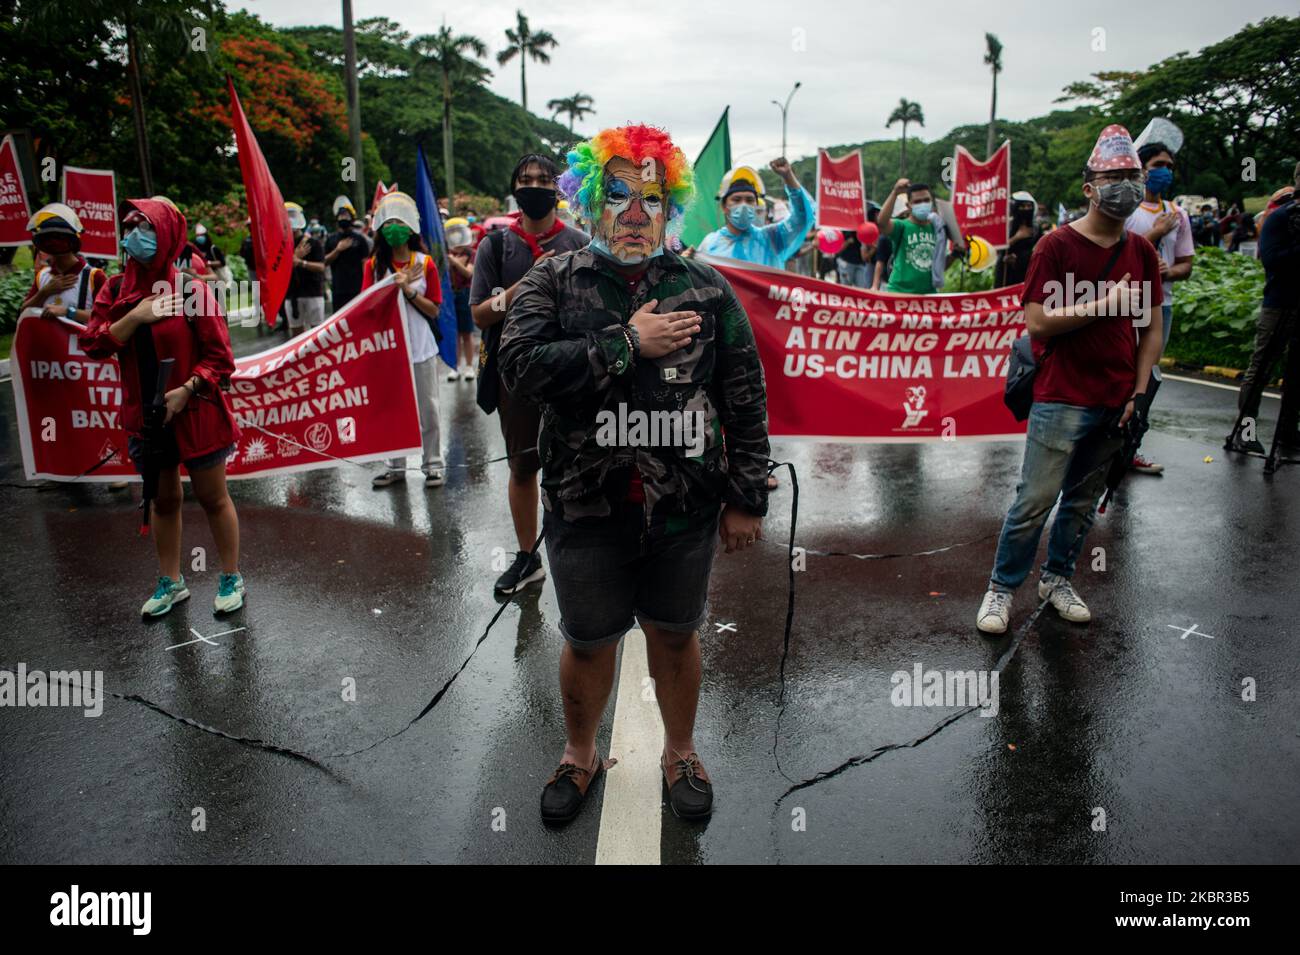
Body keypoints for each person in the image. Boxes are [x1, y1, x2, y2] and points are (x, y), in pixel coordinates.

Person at [498, 123, 769, 825]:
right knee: (588, 641)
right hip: (584, 508)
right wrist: (627, 342)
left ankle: (679, 751)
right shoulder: (551, 279)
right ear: (590, 199)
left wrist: (746, 496)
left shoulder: (704, 286)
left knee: (676, 633)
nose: (636, 211)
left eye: (652, 195)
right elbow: (518, 367)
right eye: (618, 192)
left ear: (669, 203)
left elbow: (744, 388)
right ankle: (580, 752)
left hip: (683, 509)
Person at [975, 124, 1163, 635]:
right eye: (1114, 177)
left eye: (1133, 175)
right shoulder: (1055, 247)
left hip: (1116, 398)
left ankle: (1057, 578)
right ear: (1089, 188)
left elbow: (1150, 331)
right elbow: (1036, 322)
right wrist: (1105, 305)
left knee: (1081, 503)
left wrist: (1140, 393)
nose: (1126, 185)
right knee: (1035, 499)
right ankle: (1001, 588)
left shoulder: (1143, 254)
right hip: (1060, 397)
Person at [79, 197, 245, 617]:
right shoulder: (115, 289)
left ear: (168, 235)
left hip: (196, 413)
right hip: (146, 420)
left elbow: (220, 358)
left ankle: (230, 576)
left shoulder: (193, 290)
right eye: (131, 225)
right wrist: (134, 317)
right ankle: (171, 582)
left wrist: (188, 388)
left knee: (213, 497)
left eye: (146, 227)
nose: (134, 235)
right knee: (163, 500)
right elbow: (93, 344)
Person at [469, 153, 589, 594]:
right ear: (515, 189)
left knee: (581, 462)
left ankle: (583, 552)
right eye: (525, 179)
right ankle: (527, 557)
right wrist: (523, 286)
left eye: (543, 179)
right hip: (515, 376)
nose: (534, 186)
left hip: (573, 372)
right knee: (523, 467)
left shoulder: (578, 242)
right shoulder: (496, 246)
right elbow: (482, 314)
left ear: (558, 189)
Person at [362, 191, 447, 489]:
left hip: (421, 348)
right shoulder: (373, 267)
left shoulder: (425, 264)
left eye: (399, 222)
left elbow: (434, 308)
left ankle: (433, 465)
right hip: (388, 350)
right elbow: (366, 308)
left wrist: (409, 291)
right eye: (388, 222)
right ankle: (395, 467)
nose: (393, 228)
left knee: (429, 410)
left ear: (410, 227)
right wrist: (389, 287)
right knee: (392, 409)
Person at [1123, 141, 1195, 474]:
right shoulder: (1127, 209)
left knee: (1146, 377)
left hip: (1160, 306)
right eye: (1157, 164)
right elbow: (1120, 254)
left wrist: (1170, 271)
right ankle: (1107, 447)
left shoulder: (1177, 214)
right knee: (1120, 372)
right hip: (1123, 304)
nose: (1163, 170)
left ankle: (1131, 447)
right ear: (1142, 169)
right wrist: (1155, 232)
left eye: (1168, 165)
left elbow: (1185, 265)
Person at [1230, 162, 1300, 457]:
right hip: (1280, 302)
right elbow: (1271, 260)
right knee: (1260, 369)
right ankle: (1244, 432)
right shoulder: (1281, 217)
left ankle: (1288, 432)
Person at [697, 160, 815, 268]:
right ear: (724, 206)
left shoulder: (772, 238)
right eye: (737, 200)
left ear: (756, 205)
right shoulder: (709, 244)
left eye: (749, 200)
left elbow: (802, 217)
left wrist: (788, 176)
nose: (744, 205)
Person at [21, 203, 107, 325]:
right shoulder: (43, 275)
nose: (53, 242)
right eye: (48, 238)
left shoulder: (94, 276)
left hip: (81, 343)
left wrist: (68, 312)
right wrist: (44, 292)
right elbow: (23, 312)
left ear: (72, 241)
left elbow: (107, 317)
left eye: (60, 237)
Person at [875, 180, 949, 294]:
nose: (923, 204)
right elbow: (882, 223)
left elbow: (940, 264)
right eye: (917, 202)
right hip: (900, 292)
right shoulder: (902, 226)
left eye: (926, 200)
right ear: (908, 205)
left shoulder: (938, 229)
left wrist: (956, 253)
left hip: (929, 294)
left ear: (932, 202)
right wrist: (895, 193)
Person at [323, 196, 371, 313]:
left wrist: (367, 286)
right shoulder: (331, 239)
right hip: (338, 288)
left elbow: (365, 263)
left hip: (357, 287)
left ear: (352, 219)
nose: (343, 218)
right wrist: (338, 250)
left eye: (346, 216)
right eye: (341, 216)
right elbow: (324, 262)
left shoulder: (360, 239)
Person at [443, 217, 477, 381]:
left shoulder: (471, 253)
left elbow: (469, 273)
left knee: (466, 332)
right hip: (450, 294)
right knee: (454, 332)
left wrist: (454, 262)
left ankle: (469, 366)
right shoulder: (445, 252)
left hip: (465, 293)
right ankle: (455, 366)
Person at [285, 201, 326, 332]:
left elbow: (321, 267)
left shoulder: (312, 243)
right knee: (296, 334)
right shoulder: (281, 246)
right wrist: (292, 258)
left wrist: (300, 262)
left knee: (317, 334)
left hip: (312, 292)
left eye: (293, 216)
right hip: (292, 295)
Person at [996, 191, 1040, 287]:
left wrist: (1020, 259)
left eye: (1029, 206)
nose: (1026, 209)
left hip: (1027, 272)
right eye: (1022, 206)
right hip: (1005, 272)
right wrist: (1016, 237)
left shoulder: (1036, 228)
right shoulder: (1007, 226)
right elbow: (998, 248)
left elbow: (1038, 250)